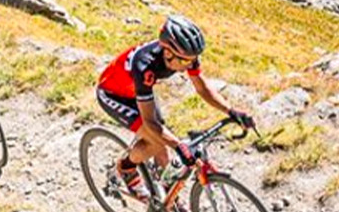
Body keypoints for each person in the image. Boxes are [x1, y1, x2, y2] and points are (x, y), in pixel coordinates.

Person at [96, 15, 254, 199]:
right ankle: (126, 168)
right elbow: (150, 123)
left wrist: (231, 110)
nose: (190, 64)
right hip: (113, 94)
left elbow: (202, 88)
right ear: (168, 52)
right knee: (157, 141)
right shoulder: (145, 66)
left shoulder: (184, 55)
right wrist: (178, 146)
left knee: (164, 138)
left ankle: (166, 193)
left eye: (193, 60)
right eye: (186, 61)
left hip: (138, 91)